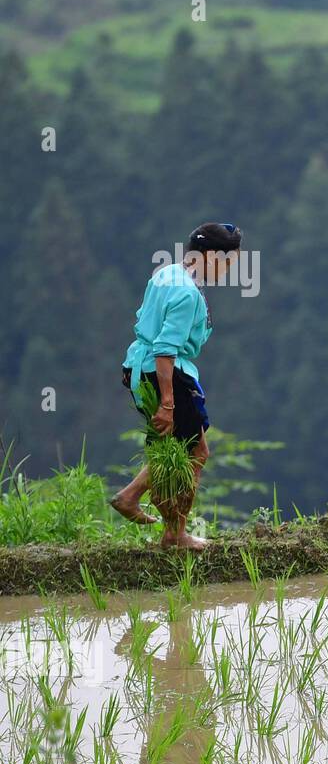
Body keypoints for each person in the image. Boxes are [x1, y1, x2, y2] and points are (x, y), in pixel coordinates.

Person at [112, 222, 240, 549]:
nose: (228, 271)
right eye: (227, 262)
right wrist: (168, 402)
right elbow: (166, 349)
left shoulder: (167, 273)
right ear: (210, 256)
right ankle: (175, 535)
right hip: (164, 371)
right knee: (196, 451)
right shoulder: (186, 292)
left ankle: (131, 497)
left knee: (177, 447)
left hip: (137, 367)